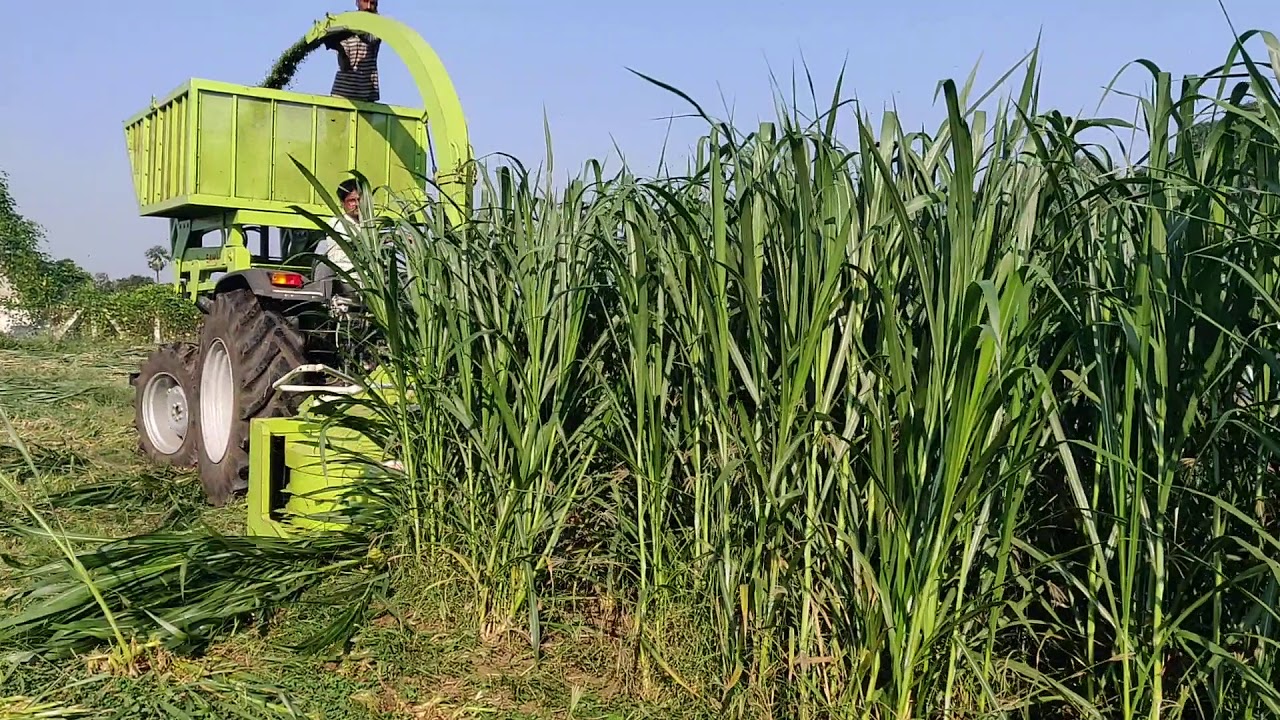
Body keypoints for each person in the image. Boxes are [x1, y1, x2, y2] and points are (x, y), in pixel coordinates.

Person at [326, 0, 381, 103]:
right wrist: (337, 47)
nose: (368, 6)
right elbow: (345, 66)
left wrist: (355, 27)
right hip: (343, 93)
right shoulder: (347, 25)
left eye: (372, 3)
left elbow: (370, 39)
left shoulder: (378, 27)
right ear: (357, 2)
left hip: (366, 94)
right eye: (365, 1)